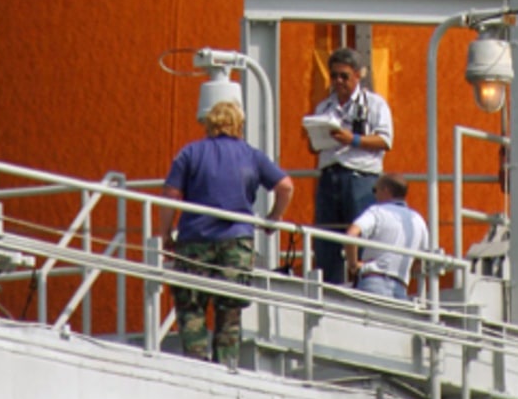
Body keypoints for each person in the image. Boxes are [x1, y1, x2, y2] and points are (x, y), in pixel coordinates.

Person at [162, 88, 293, 365]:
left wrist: (165, 233)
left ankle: (197, 365)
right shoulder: (252, 155)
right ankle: (226, 369)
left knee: (191, 311)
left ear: (210, 124)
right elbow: (285, 186)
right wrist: (273, 218)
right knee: (229, 313)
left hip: (194, 241)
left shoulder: (190, 153)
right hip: (237, 243)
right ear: (238, 125)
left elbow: (171, 195)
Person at [307, 46, 392, 285]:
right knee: (326, 241)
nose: (338, 81)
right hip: (329, 177)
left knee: (362, 239)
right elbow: (314, 147)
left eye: (344, 76)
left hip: (360, 179)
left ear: (358, 75)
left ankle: (365, 289)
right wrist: (315, 139)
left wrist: (352, 139)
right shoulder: (323, 108)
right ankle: (329, 291)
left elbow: (385, 140)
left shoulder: (375, 105)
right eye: (334, 76)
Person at [348, 173, 429, 301]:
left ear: (385, 190)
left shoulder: (377, 211)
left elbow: (352, 234)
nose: (374, 195)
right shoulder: (418, 221)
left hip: (373, 282)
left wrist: (353, 265)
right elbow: (420, 262)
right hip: (401, 288)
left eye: (375, 190)